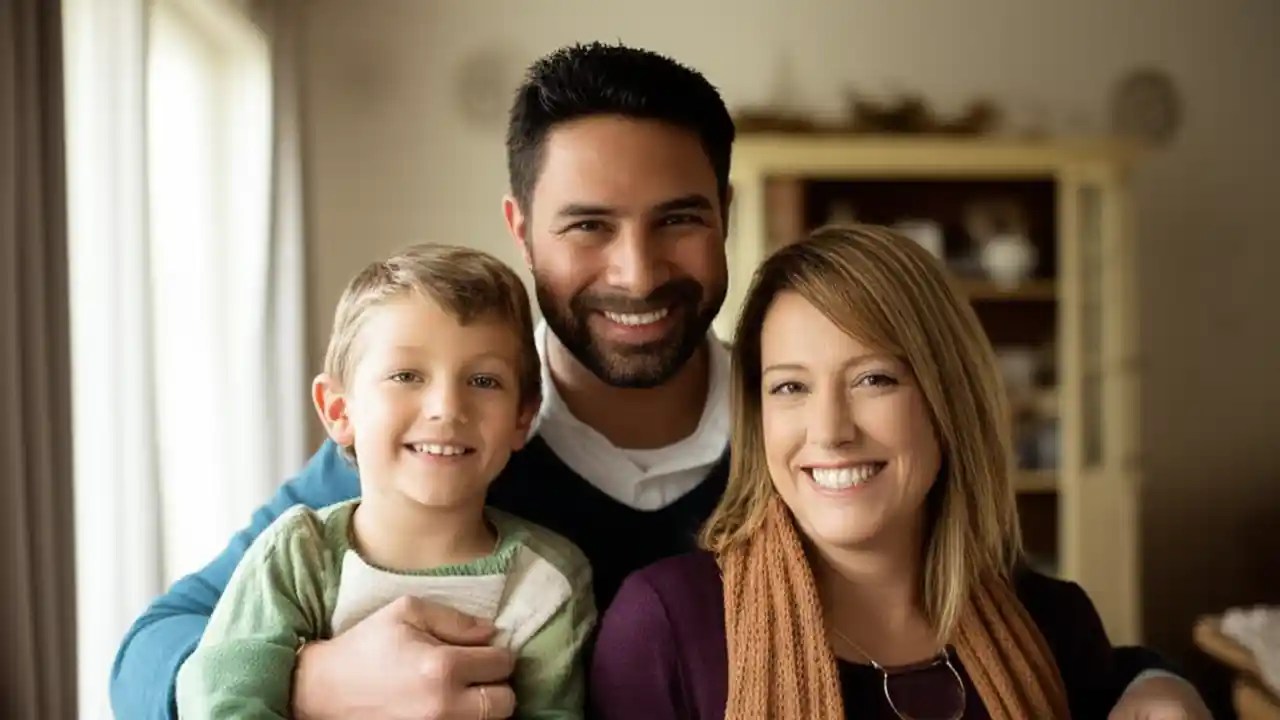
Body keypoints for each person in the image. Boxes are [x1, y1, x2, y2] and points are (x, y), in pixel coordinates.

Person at [111, 42, 1207, 720]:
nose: (635, 273)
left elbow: (993, 616)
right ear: (520, 231)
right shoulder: (444, 450)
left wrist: (1151, 681)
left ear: (724, 217)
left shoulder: (818, 450)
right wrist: (309, 687)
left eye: (677, 220)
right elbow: (152, 653)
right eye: (586, 227)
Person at [586, 225, 1182, 719]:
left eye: (874, 379)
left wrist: (1166, 683)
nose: (830, 431)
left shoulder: (1055, 624)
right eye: (790, 387)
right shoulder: (665, 626)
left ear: (948, 398)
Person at [175, 244, 595, 719]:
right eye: (406, 375)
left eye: (483, 381)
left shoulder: (547, 582)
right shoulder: (297, 557)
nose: (446, 407)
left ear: (523, 416)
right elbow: (221, 702)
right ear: (338, 410)